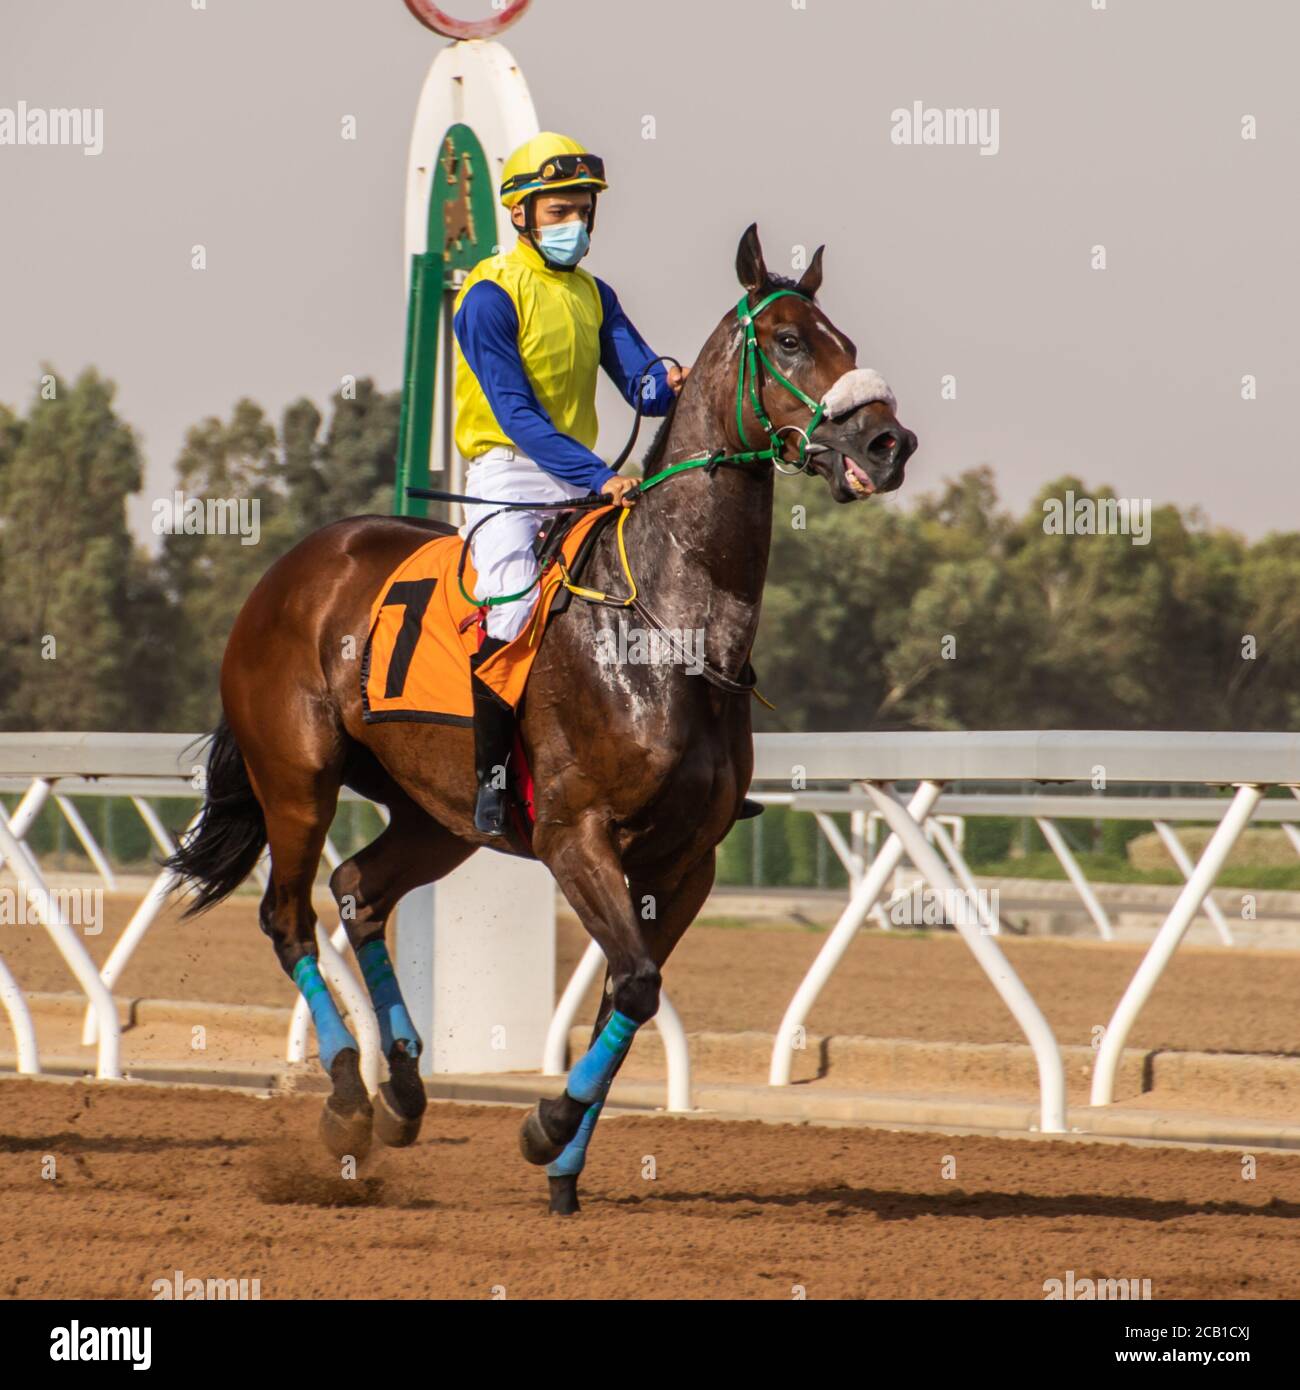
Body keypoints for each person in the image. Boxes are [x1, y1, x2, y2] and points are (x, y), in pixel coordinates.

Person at [451, 132, 686, 835]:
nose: (575, 225)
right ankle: (491, 780)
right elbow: (517, 416)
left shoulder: (595, 293)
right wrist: (599, 475)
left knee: (655, 599)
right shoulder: (487, 296)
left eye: (584, 211)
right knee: (513, 607)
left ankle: (674, 770)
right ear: (520, 214)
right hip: (508, 475)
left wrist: (668, 379)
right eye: (559, 211)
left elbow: (640, 385)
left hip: (583, 481)